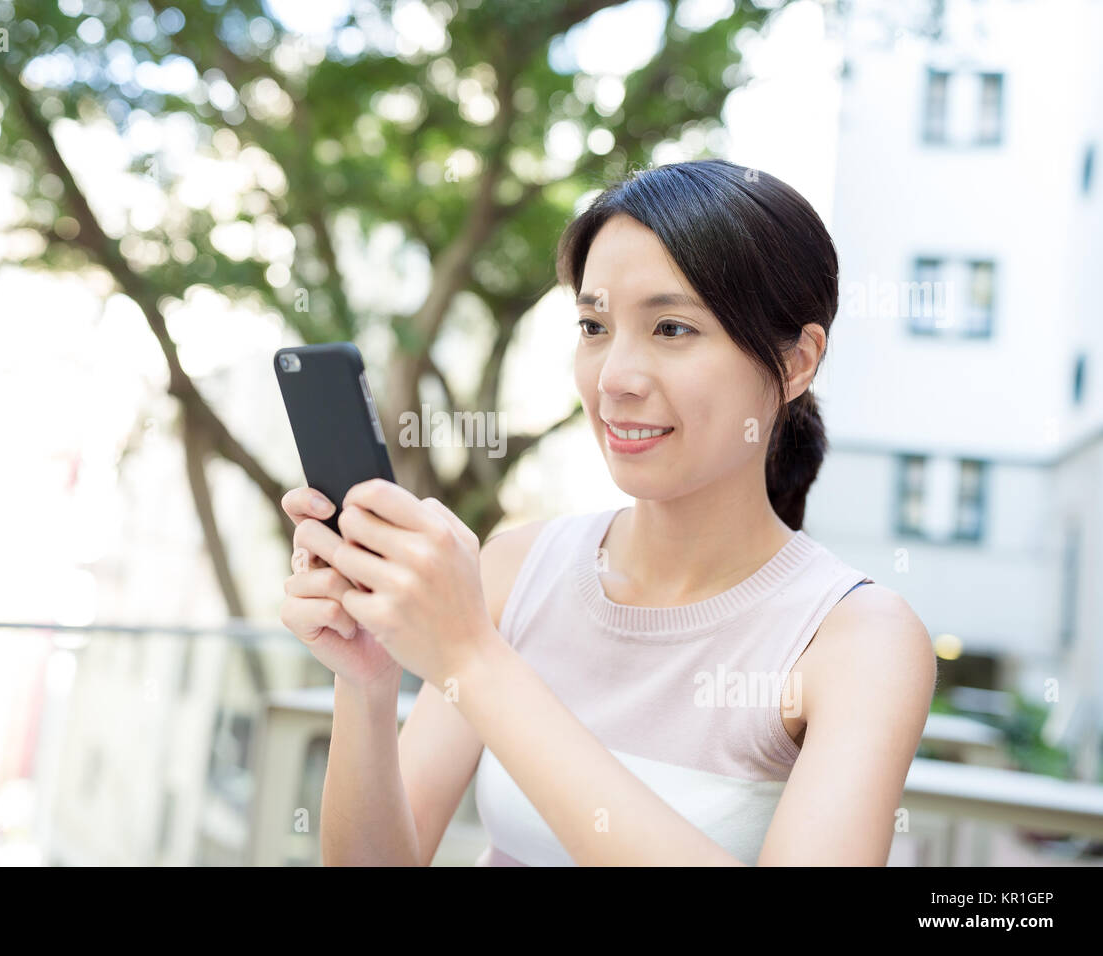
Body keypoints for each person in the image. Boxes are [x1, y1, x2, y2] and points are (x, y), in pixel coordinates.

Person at [278, 159, 937, 866]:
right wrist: (368, 683)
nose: (614, 378)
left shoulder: (859, 640)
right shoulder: (515, 568)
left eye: (673, 329)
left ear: (798, 362)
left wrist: (473, 656)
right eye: (594, 326)